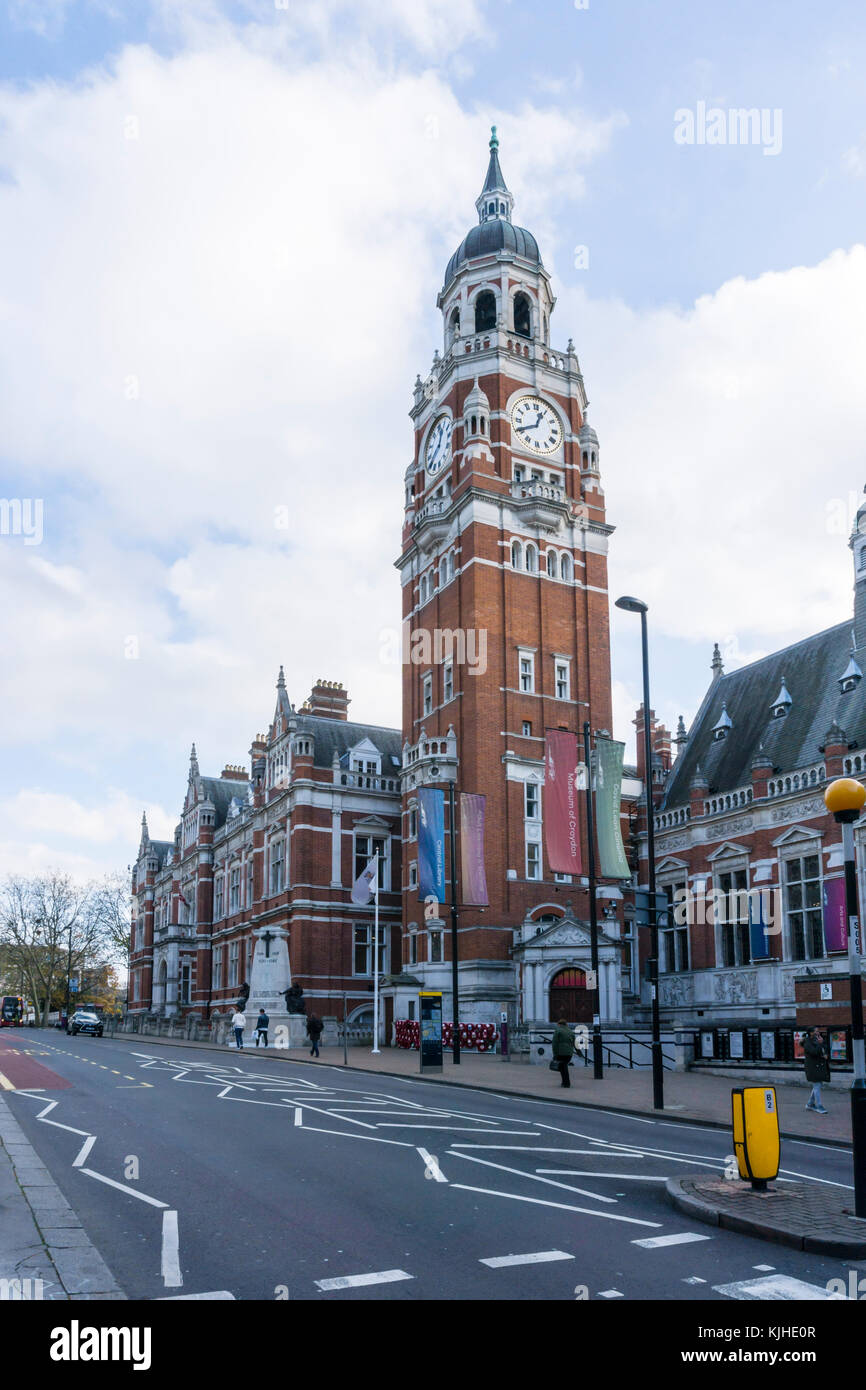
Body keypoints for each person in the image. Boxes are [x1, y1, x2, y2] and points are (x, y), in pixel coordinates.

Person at [803, 1026, 830, 1113]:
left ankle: (810, 1104)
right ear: (811, 1033)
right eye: (816, 1031)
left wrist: (825, 1053)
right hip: (812, 1067)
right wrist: (820, 1044)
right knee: (817, 1085)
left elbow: (824, 1048)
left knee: (818, 1085)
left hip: (820, 1065)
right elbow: (813, 1052)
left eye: (818, 1031)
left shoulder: (818, 1040)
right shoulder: (807, 1042)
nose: (818, 1033)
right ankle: (819, 1106)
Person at [551, 1016, 576, 1088]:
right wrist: (579, 1052)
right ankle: (564, 1082)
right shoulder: (570, 1031)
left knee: (563, 1067)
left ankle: (566, 1083)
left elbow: (555, 1043)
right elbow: (574, 1043)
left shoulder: (558, 1030)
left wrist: (555, 1054)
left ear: (559, 1024)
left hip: (561, 1052)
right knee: (563, 1067)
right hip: (569, 1053)